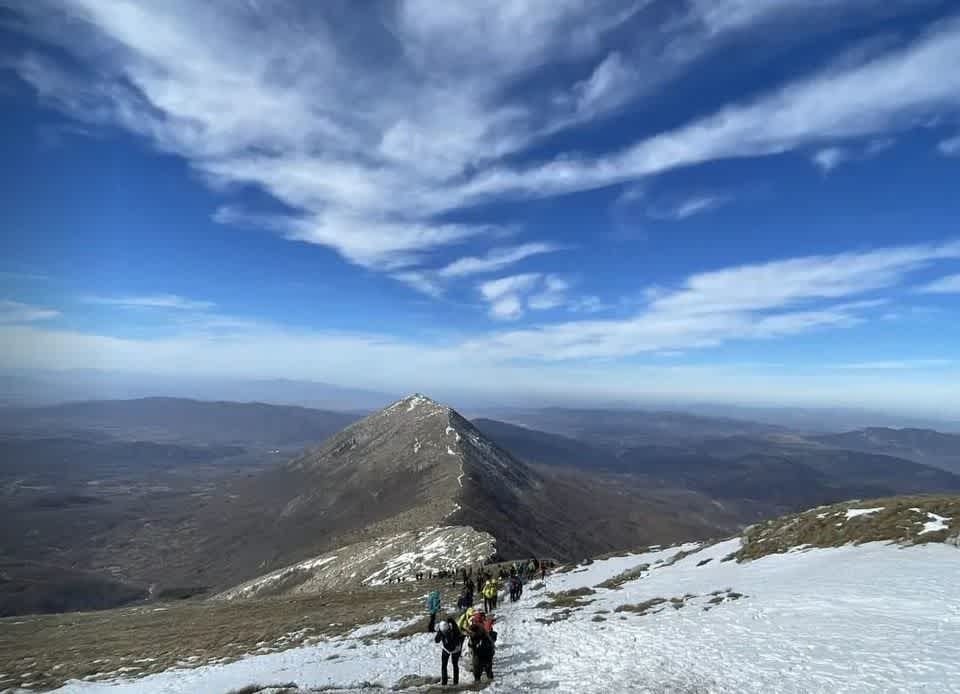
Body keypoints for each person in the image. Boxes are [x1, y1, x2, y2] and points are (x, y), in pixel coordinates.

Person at [466, 614, 496, 684]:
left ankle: (490, 683)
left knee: (488, 669)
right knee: (477, 670)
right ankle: (477, 681)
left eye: (472, 634)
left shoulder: (484, 636)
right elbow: (470, 645)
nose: (471, 635)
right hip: (477, 656)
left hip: (486, 655)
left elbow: (490, 646)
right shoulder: (473, 636)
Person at [434, 618, 463, 687]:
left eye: (445, 631)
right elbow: (436, 640)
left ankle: (454, 682)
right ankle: (445, 682)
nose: (444, 632)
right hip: (448, 649)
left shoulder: (454, 631)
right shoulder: (444, 629)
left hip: (455, 649)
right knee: (446, 665)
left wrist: (444, 635)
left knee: (454, 665)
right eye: (443, 631)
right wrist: (439, 633)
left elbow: (455, 642)